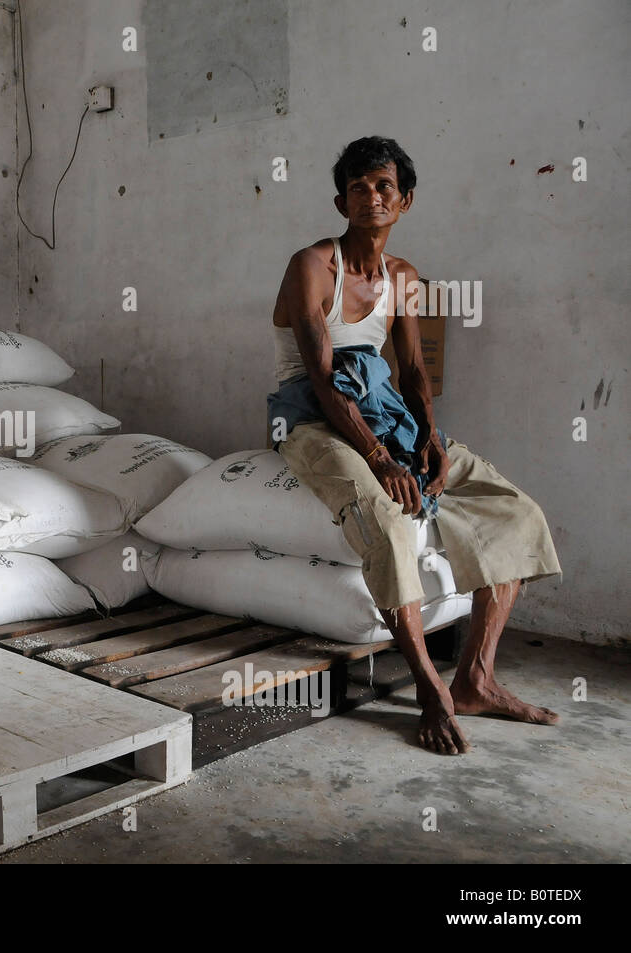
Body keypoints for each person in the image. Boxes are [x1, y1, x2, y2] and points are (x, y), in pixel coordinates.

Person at [266, 136, 562, 755]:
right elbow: (321, 381)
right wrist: (378, 459)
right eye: (357, 188)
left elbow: (414, 374)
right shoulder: (313, 266)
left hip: (383, 411)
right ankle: (430, 686)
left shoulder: (403, 278)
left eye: (383, 187)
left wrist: (428, 441)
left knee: (515, 510)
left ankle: (475, 677)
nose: (371, 197)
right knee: (388, 518)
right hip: (313, 419)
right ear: (340, 201)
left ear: (405, 199)